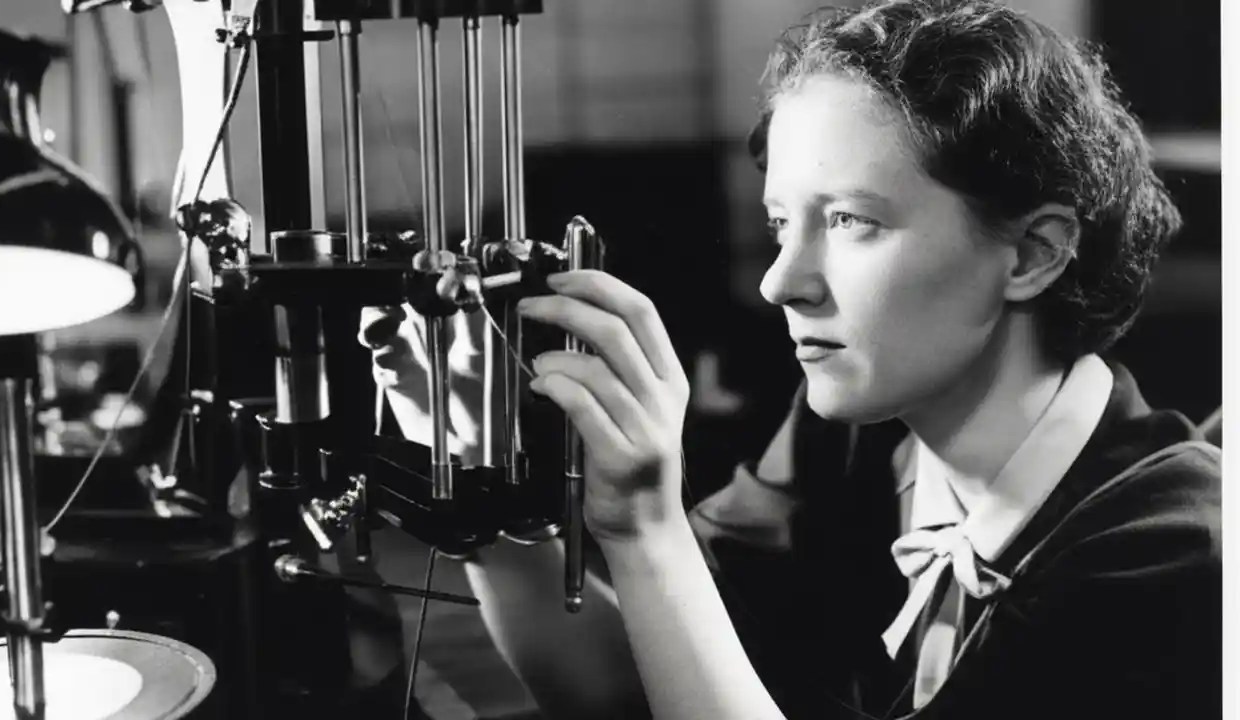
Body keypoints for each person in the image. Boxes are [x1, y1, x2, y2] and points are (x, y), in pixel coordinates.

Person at [359, 1, 1221, 718]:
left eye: (850, 221)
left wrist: (650, 529)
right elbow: (631, 690)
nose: (780, 282)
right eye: (781, 223)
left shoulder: (1175, 562)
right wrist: (480, 483)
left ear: (1034, 254)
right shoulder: (851, 434)